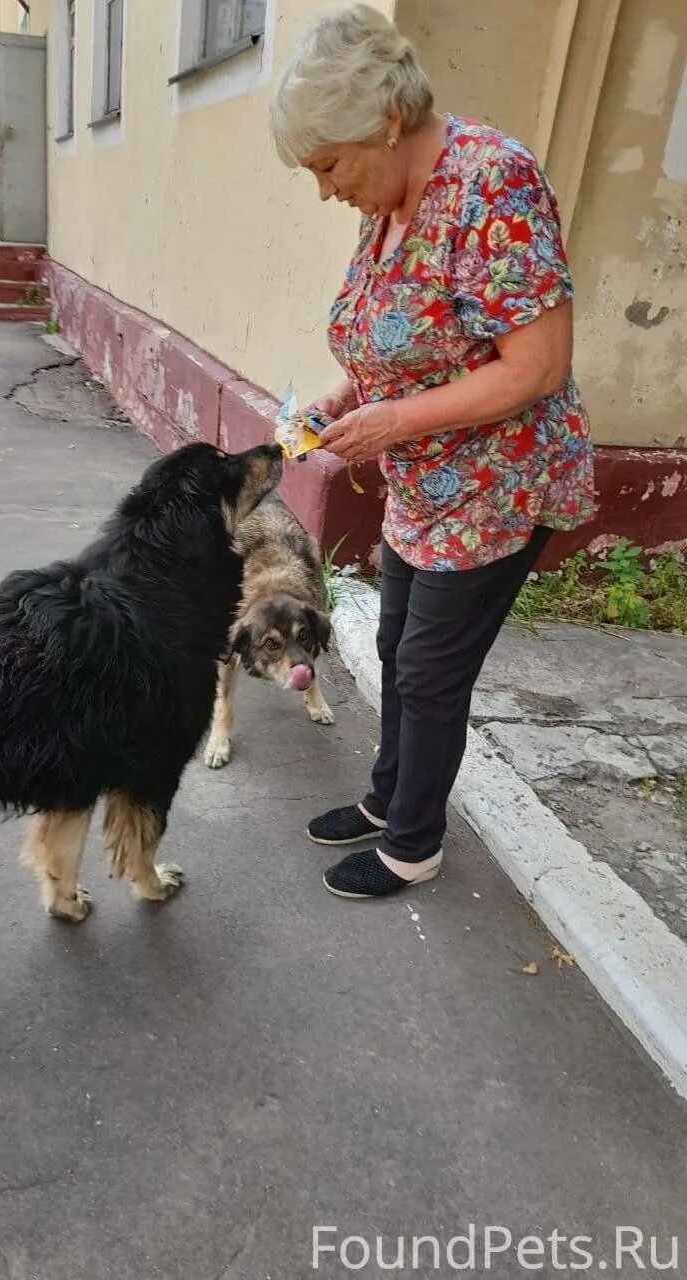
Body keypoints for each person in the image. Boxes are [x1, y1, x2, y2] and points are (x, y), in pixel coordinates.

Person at [270, 3, 595, 900]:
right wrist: (346, 397)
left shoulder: (493, 184)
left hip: (497, 482)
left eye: (329, 165)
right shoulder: (388, 201)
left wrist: (392, 423)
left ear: (384, 121)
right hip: (425, 482)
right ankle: (388, 801)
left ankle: (413, 844)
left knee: (430, 670)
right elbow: (406, 338)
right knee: (396, 643)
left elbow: (538, 365)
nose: (325, 190)